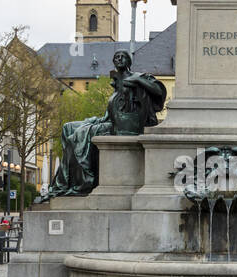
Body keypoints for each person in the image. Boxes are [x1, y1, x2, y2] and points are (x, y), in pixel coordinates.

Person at [38, 51, 167, 200]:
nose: (119, 59)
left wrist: (137, 81)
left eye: (122, 57)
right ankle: (65, 183)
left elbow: (158, 91)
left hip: (125, 125)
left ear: (129, 61)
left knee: (80, 135)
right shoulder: (117, 81)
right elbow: (110, 112)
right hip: (111, 120)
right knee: (68, 127)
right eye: (116, 57)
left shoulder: (138, 77)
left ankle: (83, 182)